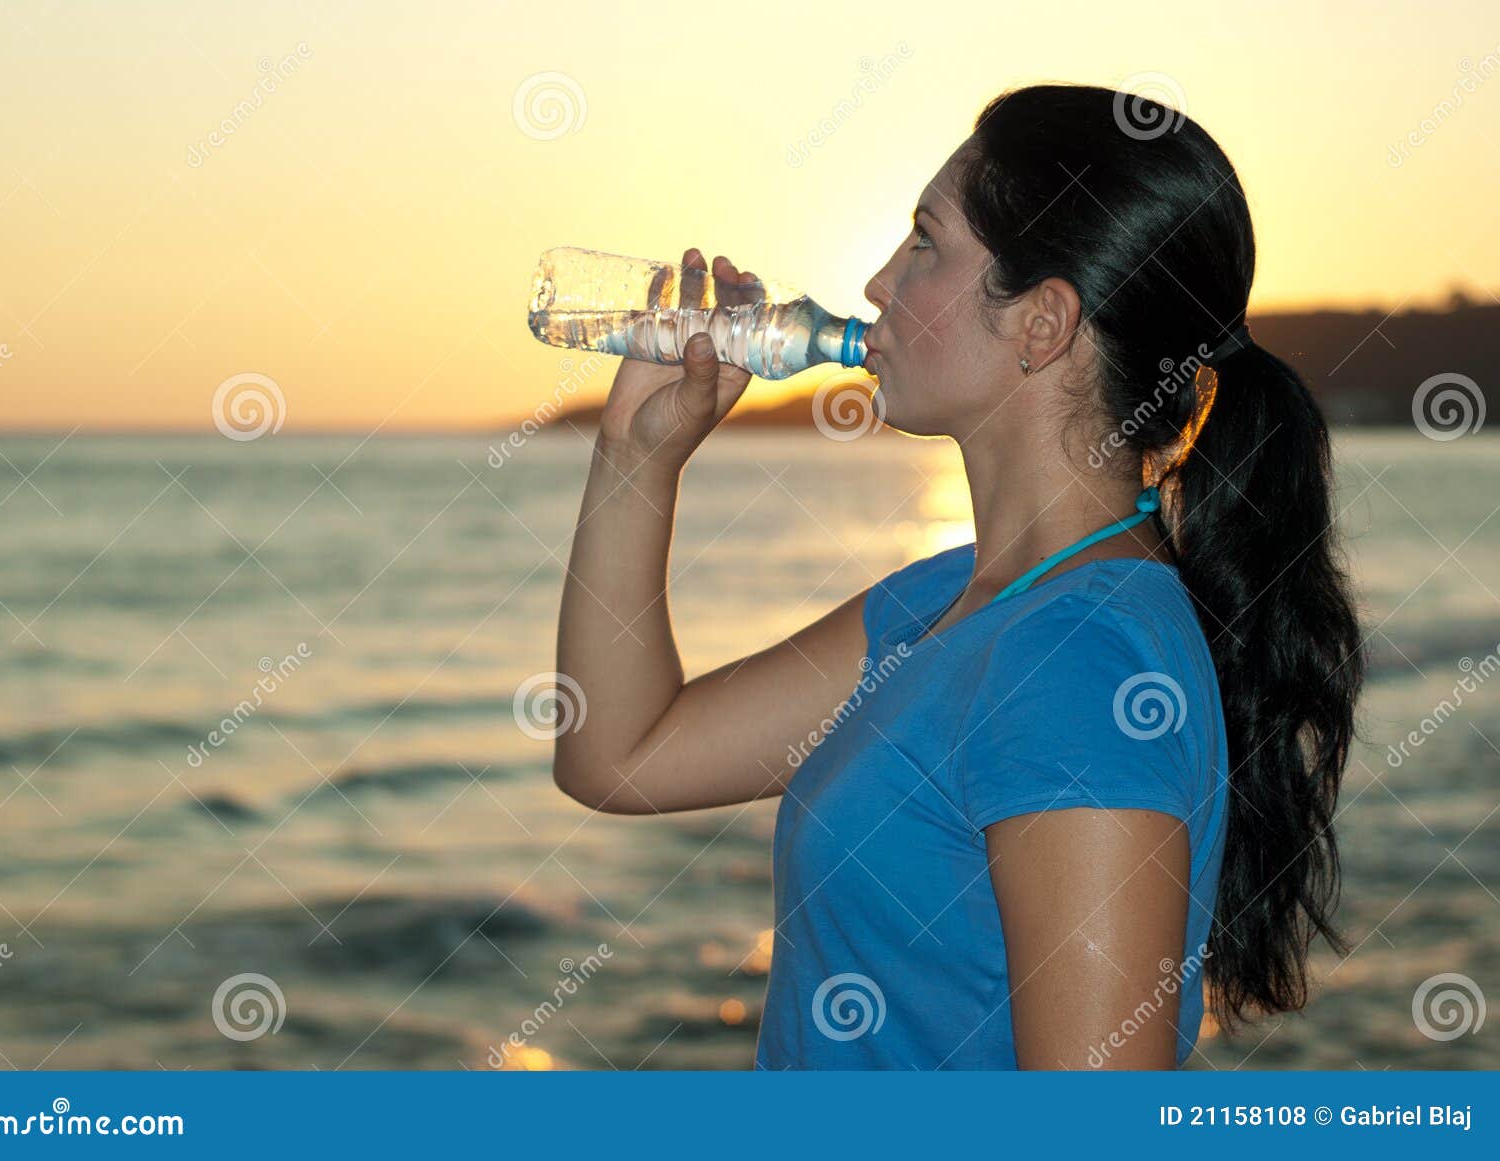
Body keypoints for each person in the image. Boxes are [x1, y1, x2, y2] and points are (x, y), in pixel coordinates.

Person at [551, 82, 1364, 1069]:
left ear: (1041, 324)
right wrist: (637, 456)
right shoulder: (950, 602)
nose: (878, 283)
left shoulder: (1080, 663)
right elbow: (619, 756)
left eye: (924, 243)